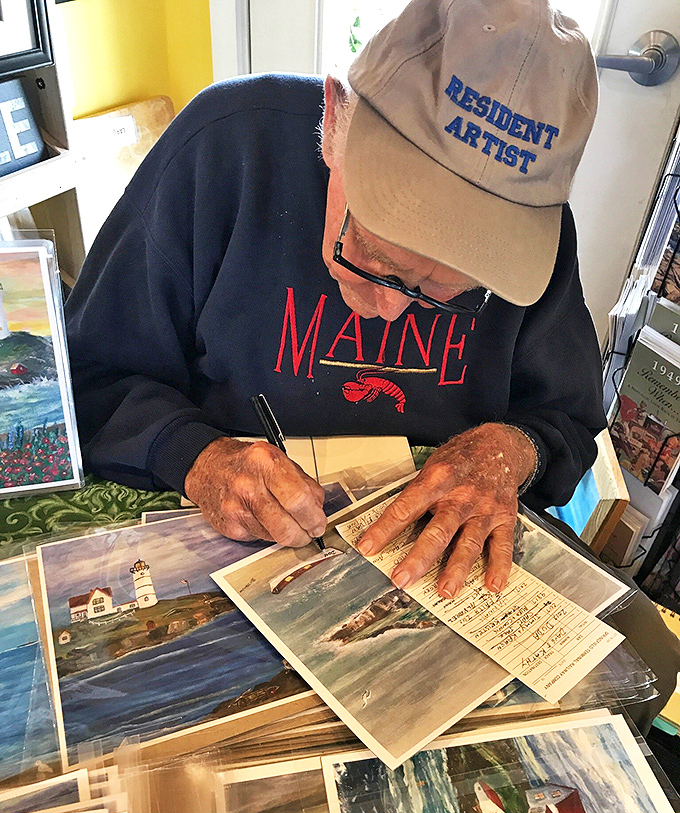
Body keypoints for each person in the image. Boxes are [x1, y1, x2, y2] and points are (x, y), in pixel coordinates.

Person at [64, 0, 680, 727]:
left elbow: (569, 419)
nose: (386, 313)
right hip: (232, 553)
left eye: (443, 295)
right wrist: (195, 455)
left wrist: (510, 450)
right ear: (335, 118)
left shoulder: (538, 244)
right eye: (376, 262)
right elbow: (87, 378)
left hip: (435, 596)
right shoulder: (223, 150)